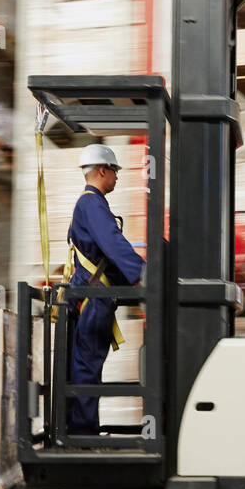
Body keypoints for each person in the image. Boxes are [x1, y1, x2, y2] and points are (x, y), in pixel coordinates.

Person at [66, 143, 145, 436]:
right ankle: (83, 434)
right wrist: (142, 274)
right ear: (102, 170)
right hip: (93, 298)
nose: (117, 176)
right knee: (87, 365)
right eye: (114, 171)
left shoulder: (91, 203)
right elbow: (112, 243)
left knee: (89, 364)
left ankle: (84, 430)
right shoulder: (91, 203)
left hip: (94, 296)